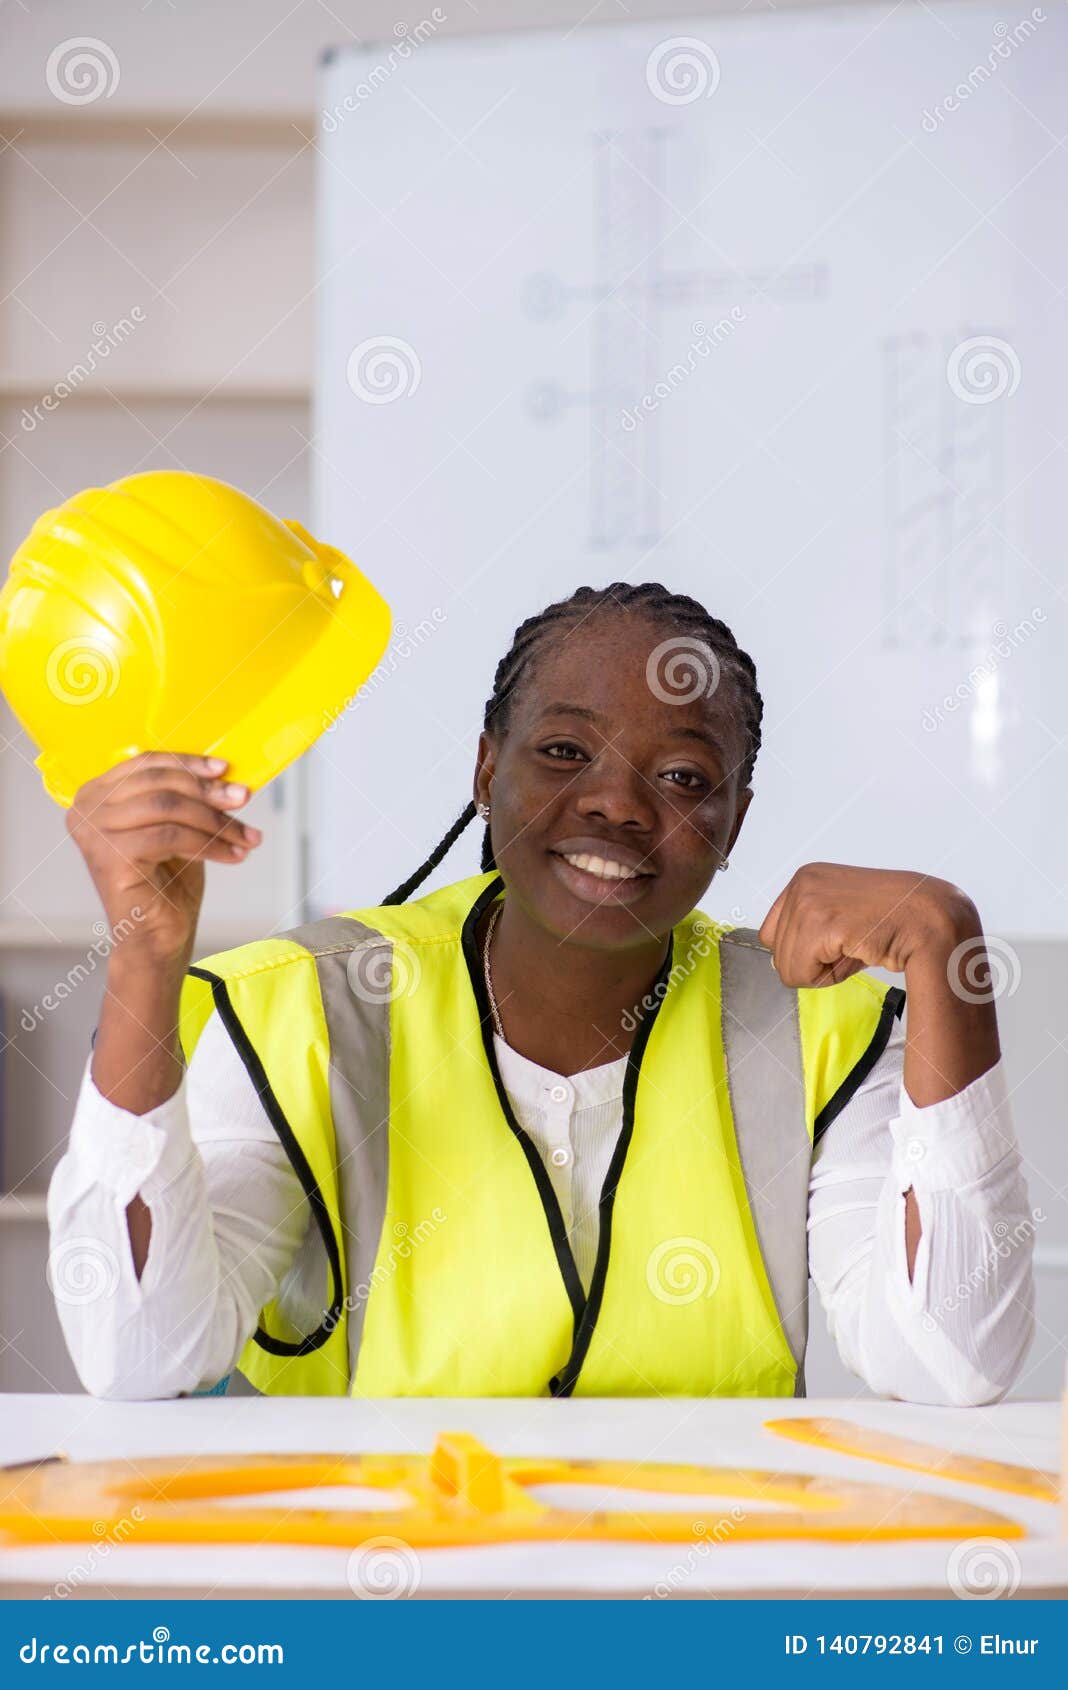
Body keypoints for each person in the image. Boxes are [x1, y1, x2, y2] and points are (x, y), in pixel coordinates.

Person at [48, 582, 1033, 1402]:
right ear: (487, 771)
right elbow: (142, 1359)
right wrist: (144, 953)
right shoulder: (292, 1008)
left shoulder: (820, 1024)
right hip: (378, 1593)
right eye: (564, 751)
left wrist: (951, 956)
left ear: (734, 825)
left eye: (686, 773)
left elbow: (950, 1362)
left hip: (706, 1593)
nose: (615, 802)